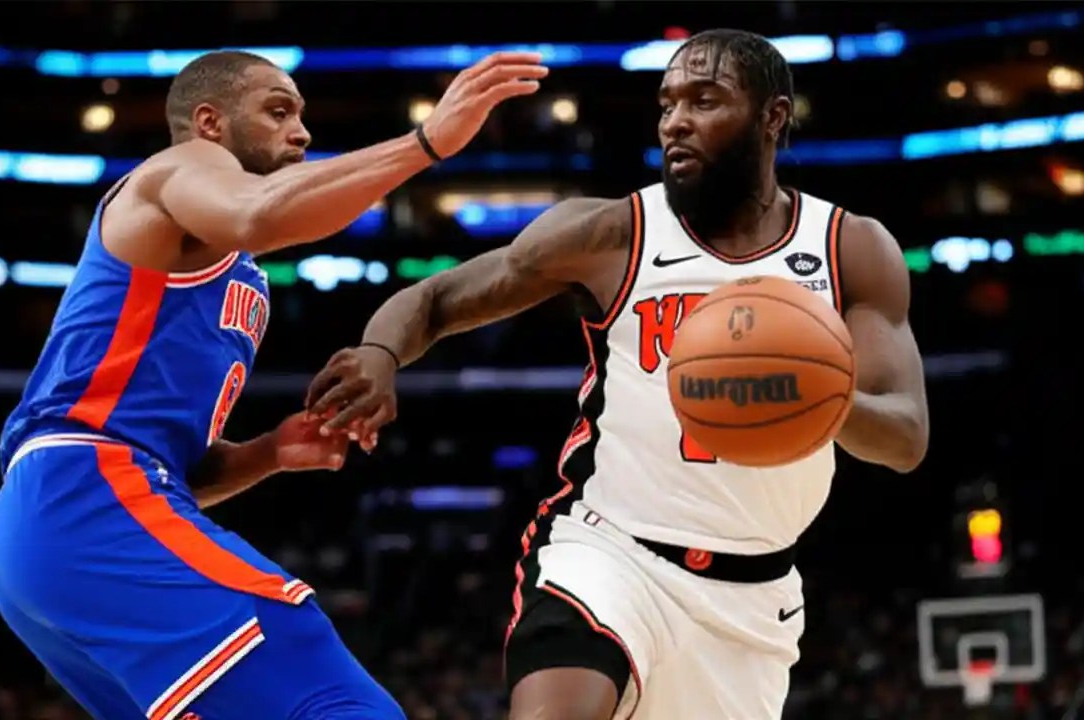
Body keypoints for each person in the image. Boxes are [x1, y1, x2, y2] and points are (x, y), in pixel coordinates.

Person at [304, 29, 930, 720]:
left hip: (752, 599)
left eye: (705, 99)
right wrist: (378, 353)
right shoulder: (615, 234)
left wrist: (821, 395)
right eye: (666, 104)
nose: (676, 120)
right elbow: (436, 298)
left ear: (773, 117)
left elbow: (905, 438)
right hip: (607, 551)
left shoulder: (850, 248)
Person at [0, 49, 547, 720]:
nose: (302, 134)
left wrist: (270, 453)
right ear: (210, 122)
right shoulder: (180, 168)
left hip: (66, 526)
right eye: (278, 112)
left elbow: (176, 473)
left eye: (302, 116)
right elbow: (259, 213)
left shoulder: (241, 275)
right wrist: (427, 142)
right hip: (81, 495)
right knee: (320, 679)